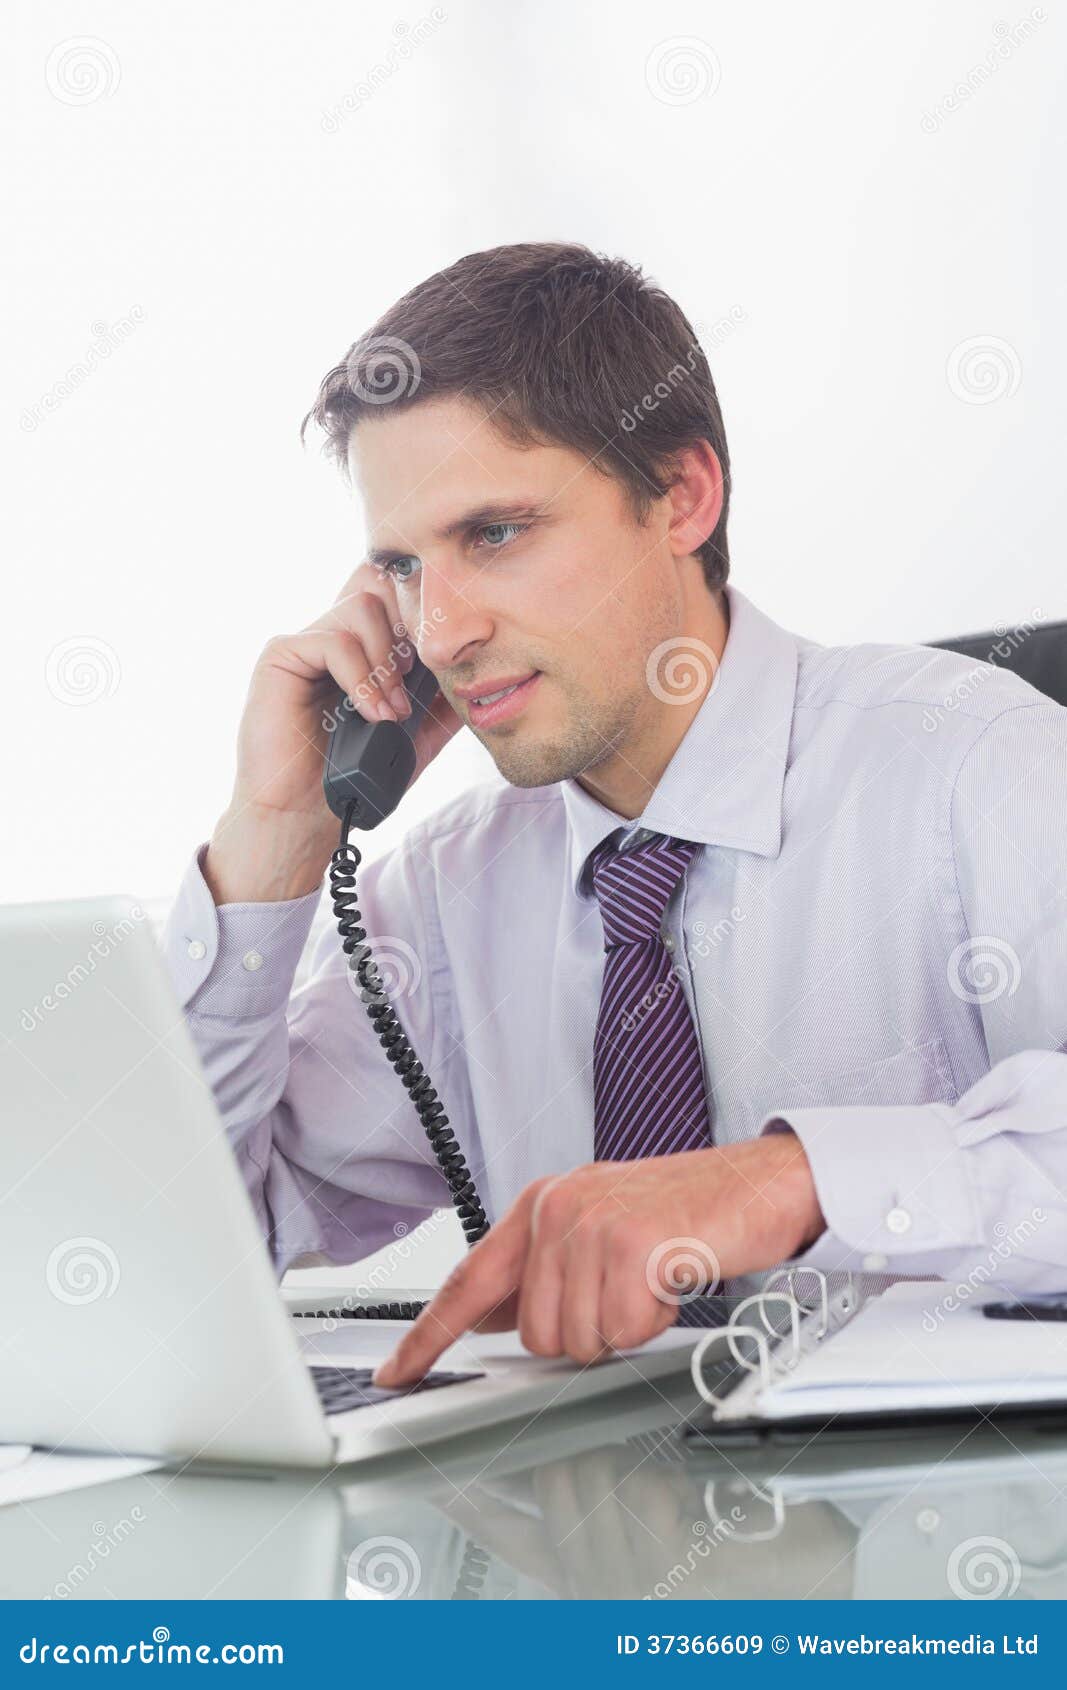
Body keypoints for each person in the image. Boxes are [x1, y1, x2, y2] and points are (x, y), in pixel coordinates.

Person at [161, 241, 1067, 1390]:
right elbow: (160, 1247)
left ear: (681, 496)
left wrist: (784, 1181)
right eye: (399, 564)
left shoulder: (976, 767)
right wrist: (274, 833)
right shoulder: (446, 896)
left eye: (493, 533)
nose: (437, 632)